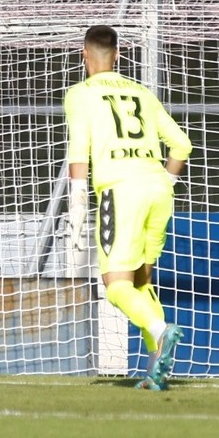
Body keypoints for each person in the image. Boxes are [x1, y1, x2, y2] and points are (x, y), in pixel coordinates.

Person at [64, 25, 193, 391]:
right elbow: (182, 145)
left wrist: (77, 214)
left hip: (122, 192)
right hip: (158, 188)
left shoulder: (81, 95)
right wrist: (163, 184)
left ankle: (162, 331)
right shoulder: (141, 92)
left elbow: (78, 157)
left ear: (84, 56)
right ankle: (157, 371)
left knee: (116, 287)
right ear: (118, 55)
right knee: (141, 280)